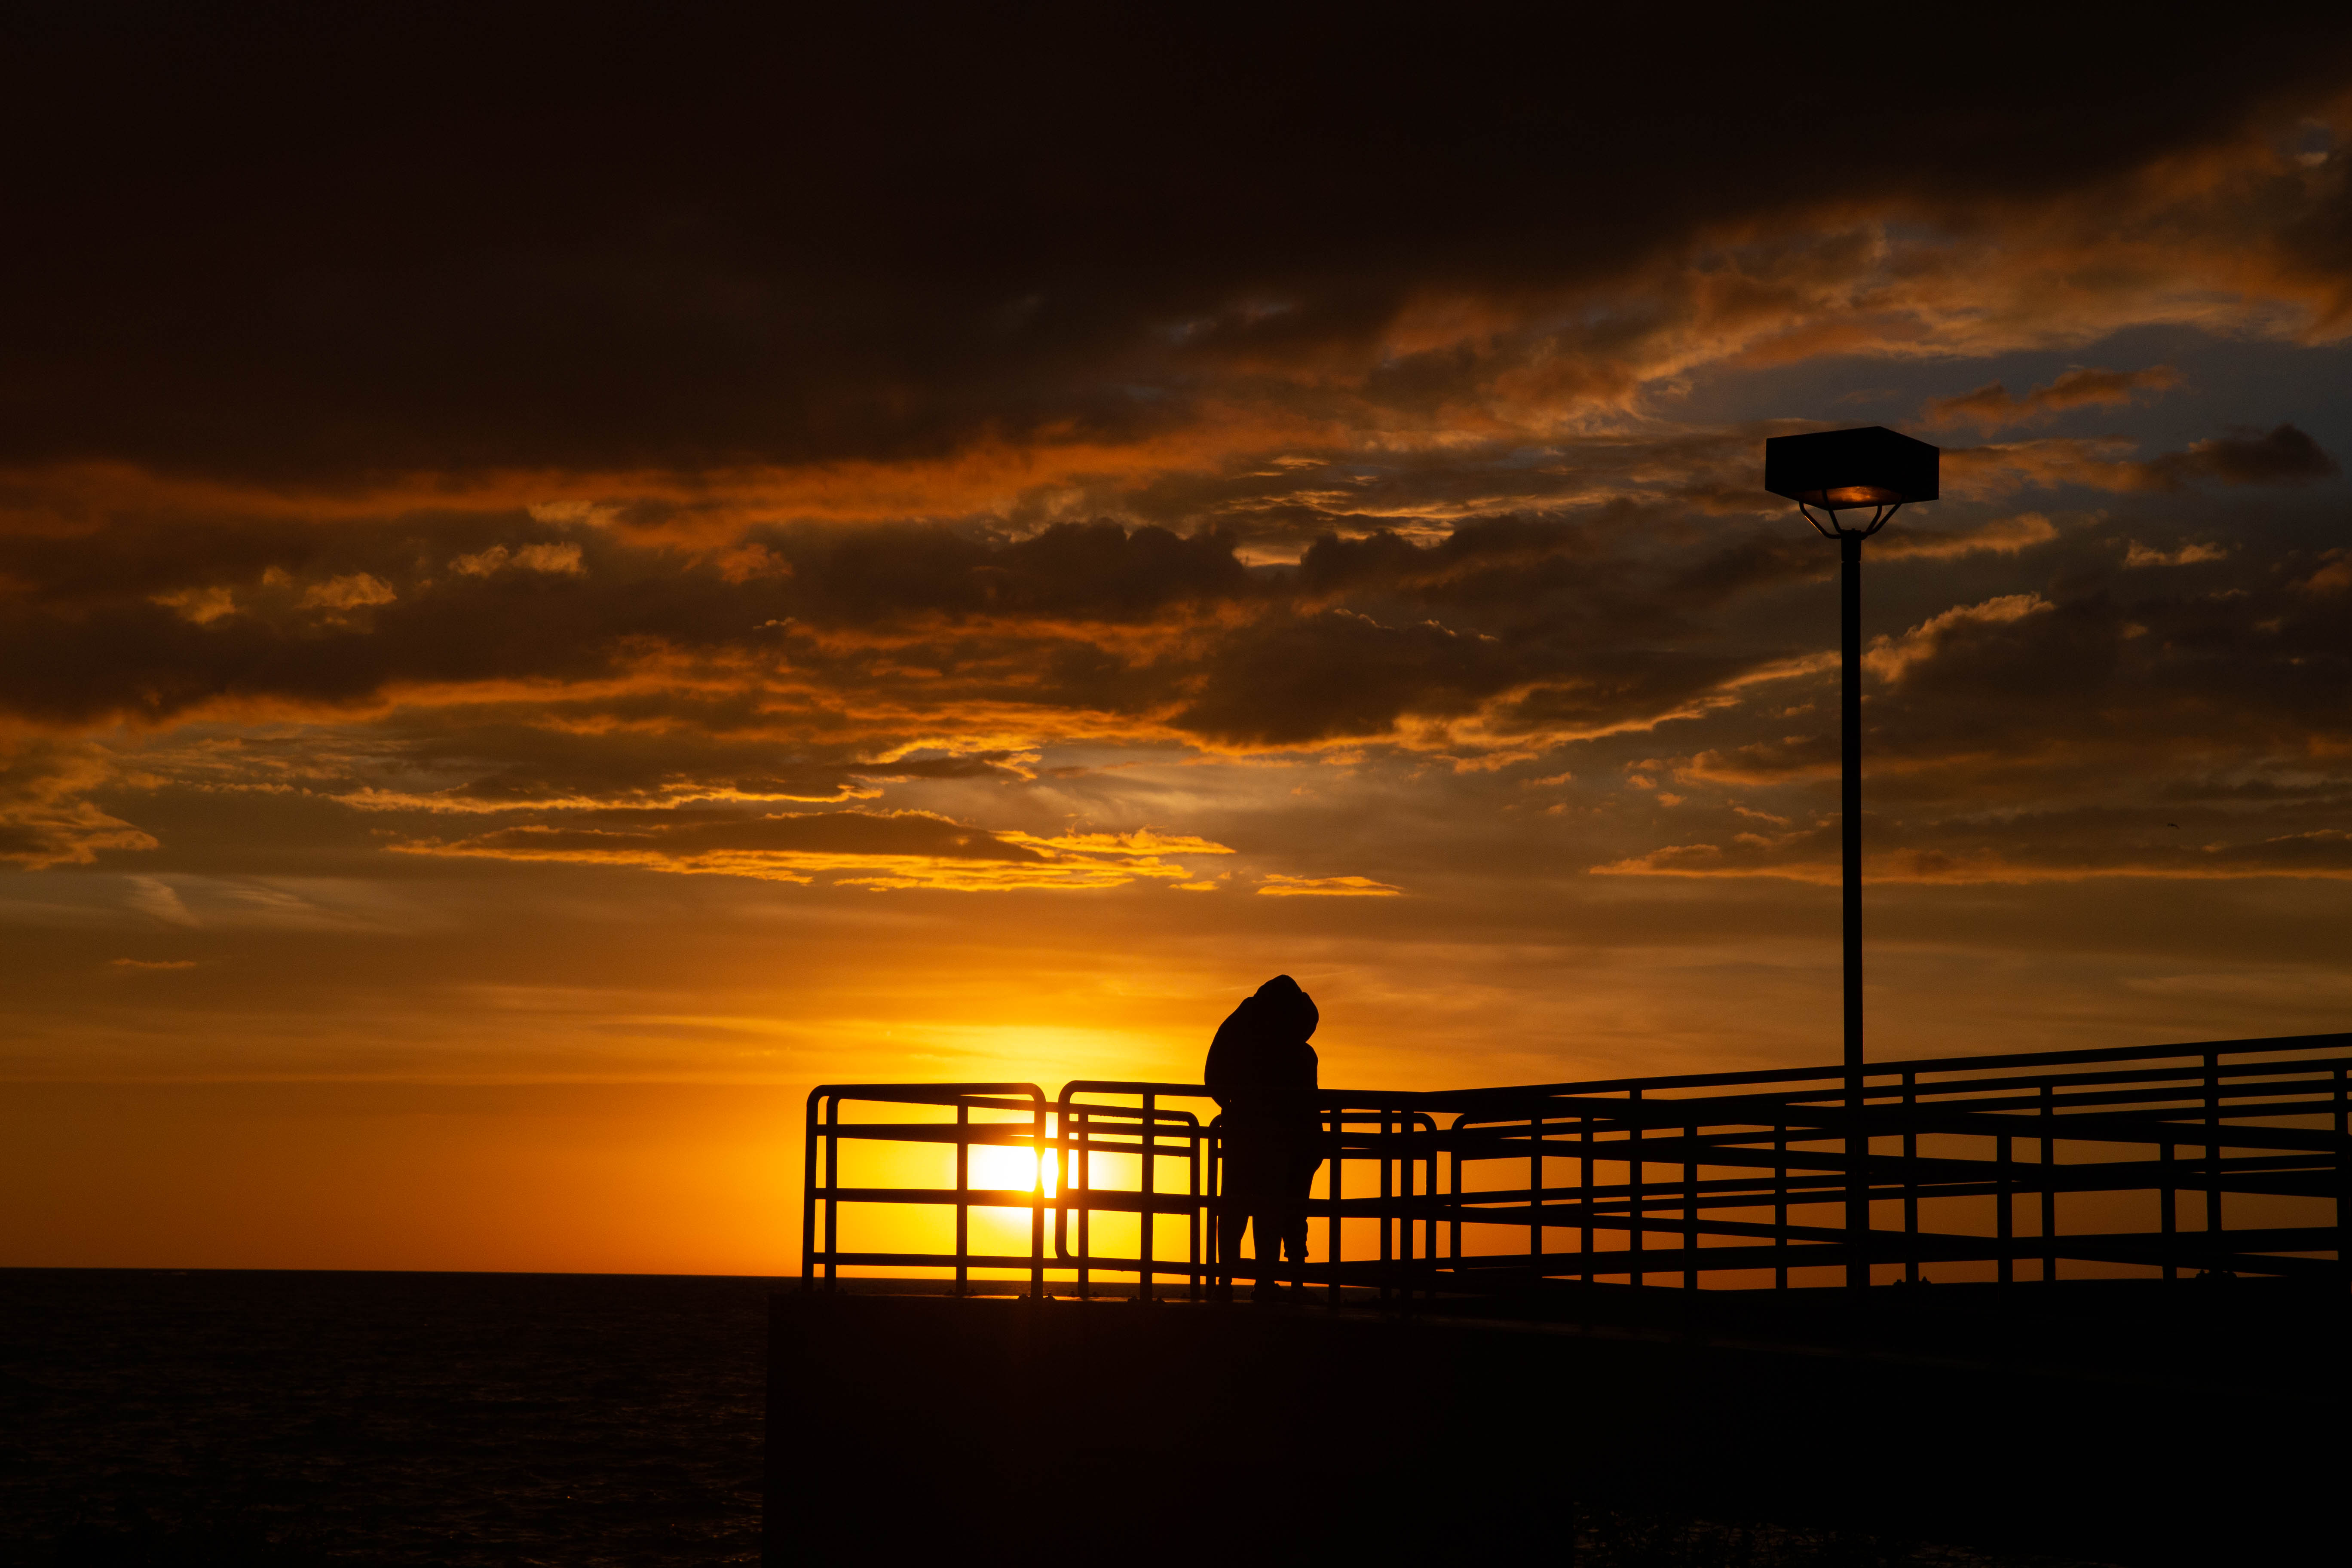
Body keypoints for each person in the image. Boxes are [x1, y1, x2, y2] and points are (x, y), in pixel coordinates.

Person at [1204, 974, 1323, 1301]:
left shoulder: (1240, 1028)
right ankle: (1267, 1281)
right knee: (1271, 1211)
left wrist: (1232, 1108)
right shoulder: (1299, 1053)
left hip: (1245, 1133)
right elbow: (1309, 1101)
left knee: (1236, 1208)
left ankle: (1226, 1282)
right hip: (1280, 1139)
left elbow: (1212, 1077)